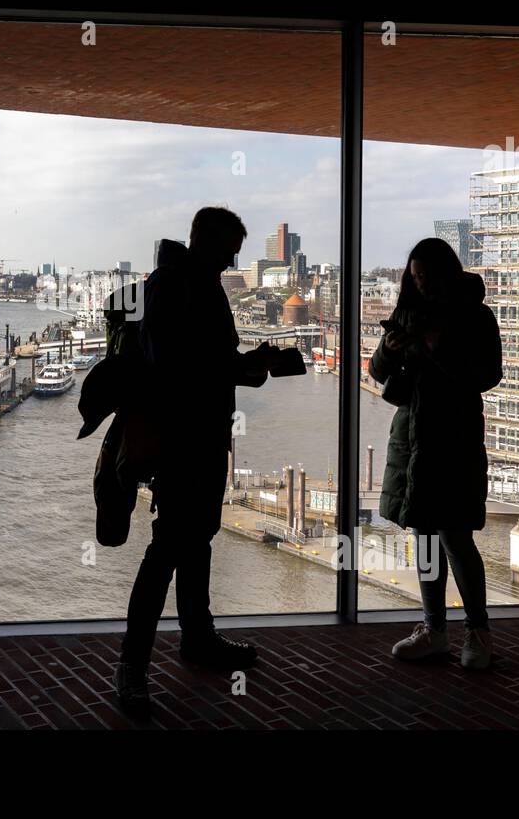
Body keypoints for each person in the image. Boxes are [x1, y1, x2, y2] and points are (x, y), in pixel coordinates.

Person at [114, 207, 290, 718]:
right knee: (168, 547)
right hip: (181, 439)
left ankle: (197, 637)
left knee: (196, 539)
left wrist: (247, 367)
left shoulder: (191, 282)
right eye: (230, 249)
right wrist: (246, 365)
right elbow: (175, 364)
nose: (234, 259)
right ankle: (133, 668)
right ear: (208, 243)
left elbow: (202, 361)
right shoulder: (174, 285)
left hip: (205, 435)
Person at [368, 237, 502, 669]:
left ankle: (476, 632)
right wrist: (388, 352)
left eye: (427, 276)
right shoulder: (407, 313)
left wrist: (432, 348)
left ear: (446, 273)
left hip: (454, 436)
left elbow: (487, 375)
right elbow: (375, 370)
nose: (421, 284)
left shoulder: (477, 318)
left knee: (455, 536)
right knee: (425, 534)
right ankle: (435, 629)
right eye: (415, 277)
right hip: (412, 438)